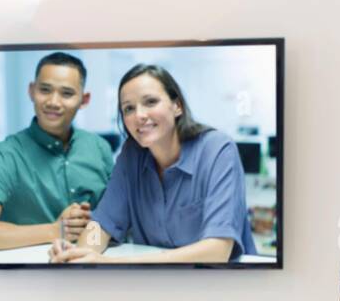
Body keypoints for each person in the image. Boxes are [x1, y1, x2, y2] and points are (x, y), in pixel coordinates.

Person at [48, 63, 257, 264]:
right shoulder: (131, 155)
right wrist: (80, 252)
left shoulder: (217, 150)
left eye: (150, 102)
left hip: (227, 288)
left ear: (177, 106)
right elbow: (101, 225)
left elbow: (217, 250)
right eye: (128, 108)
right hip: (154, 287)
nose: (139, 115)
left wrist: (113, 262)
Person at [0, 52, 115, 253]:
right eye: (45, 90)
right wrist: (54, 231)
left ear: (84, 100)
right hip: (27, 277)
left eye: (67, 93)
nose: (53, 102)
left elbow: (115, 219)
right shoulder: (5, 155)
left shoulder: (99, 148)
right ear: (32, 91)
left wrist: (88, 229)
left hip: (95, 269)